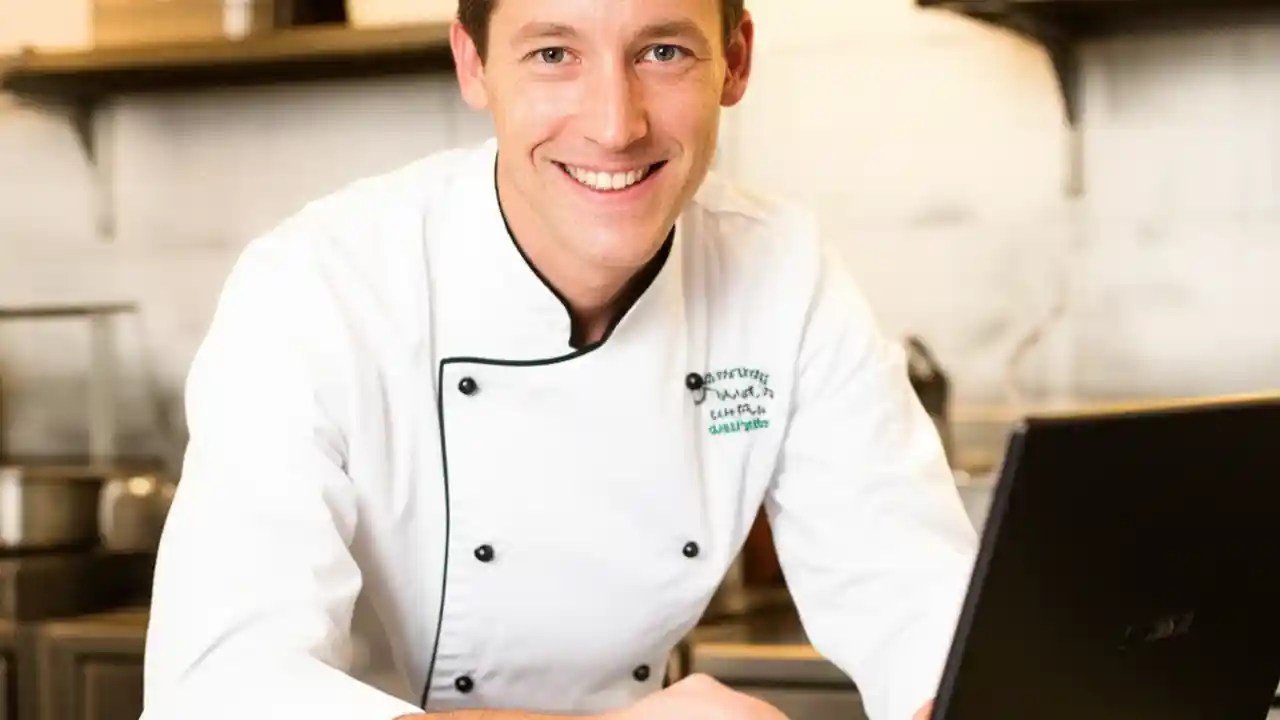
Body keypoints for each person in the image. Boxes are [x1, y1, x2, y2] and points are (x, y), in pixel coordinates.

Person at [139, 0, 978, 719]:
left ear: (736, 60)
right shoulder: (318, 288)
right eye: (553, 53)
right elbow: (218, 693)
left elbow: (919, 606)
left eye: (663, 51)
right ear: (474, 65)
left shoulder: (783, 273)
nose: (615, 125)